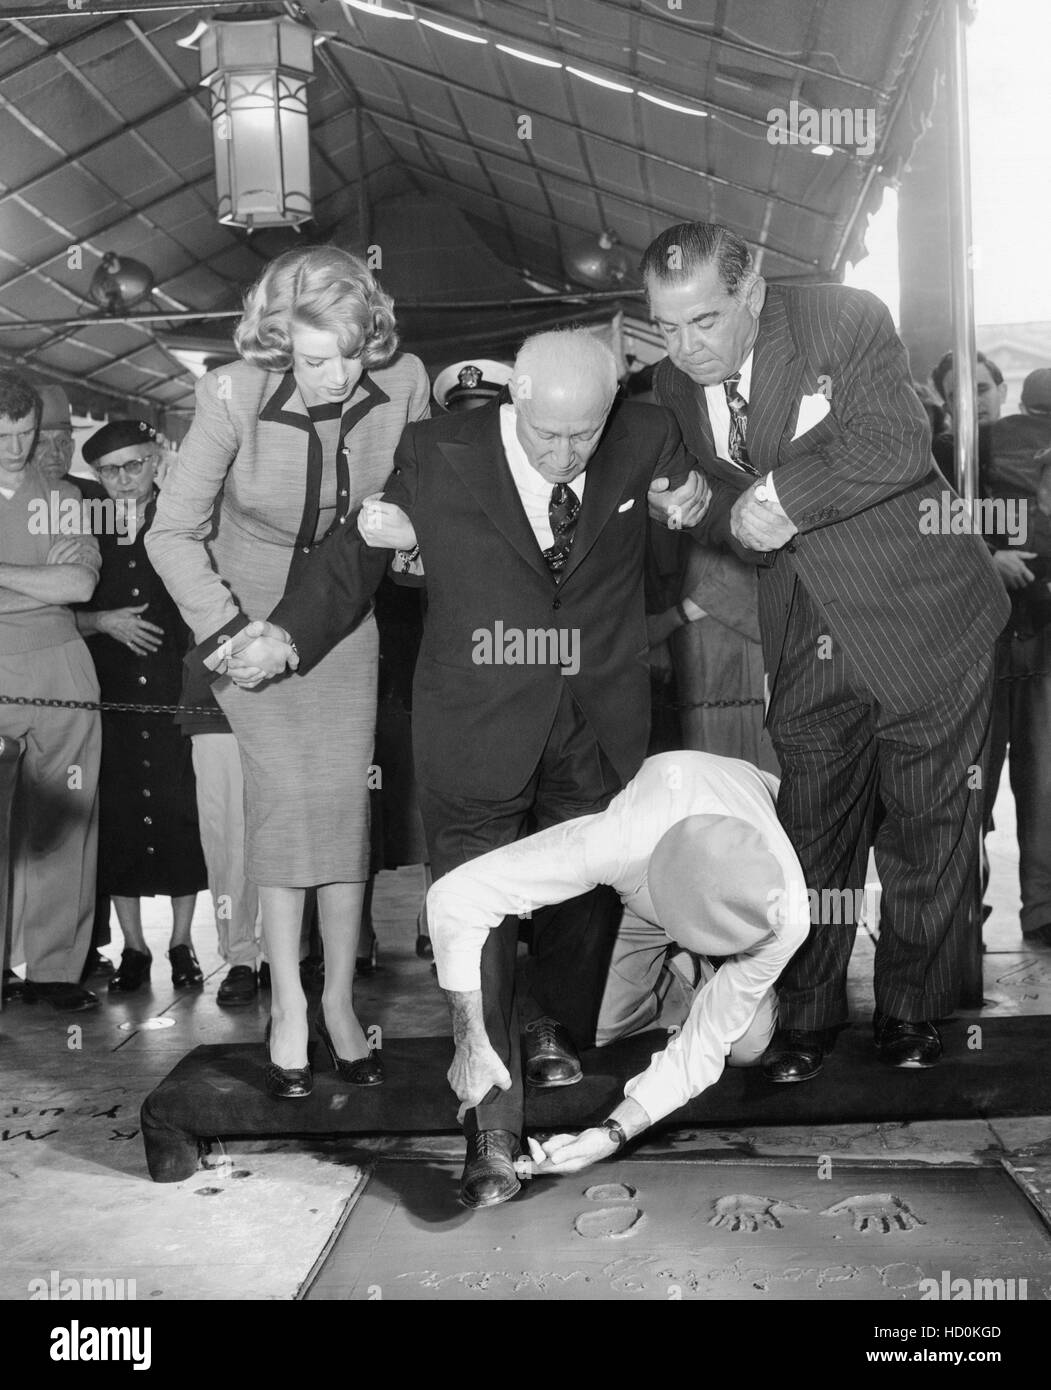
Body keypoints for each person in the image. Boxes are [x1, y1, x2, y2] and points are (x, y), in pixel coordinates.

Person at [235, 327, 746, 1206]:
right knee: (476, 921)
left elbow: (714, 492)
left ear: (609, 412)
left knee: (580, 908)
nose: (561, 454)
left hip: (595, 722)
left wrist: (700, 494)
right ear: (514, 404)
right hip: (473, 722)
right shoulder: (438, 449)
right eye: (544, 435)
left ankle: (547, 1020)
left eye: (580, 436)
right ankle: (492, 1132)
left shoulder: (645, 433)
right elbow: (359, 549)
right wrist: (284, 633)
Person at [641, 221, 1010, 1081]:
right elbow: (740, 523)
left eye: (704, 320)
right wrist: (703, 506)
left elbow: (891, 443)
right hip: (805, 633)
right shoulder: (666, 384)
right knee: (809, 832)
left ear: (752, 292)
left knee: (928, 825)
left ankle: (910, 1011)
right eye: (665, 325)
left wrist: (775, 494)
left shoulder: (838, 319)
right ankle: (806, 1014)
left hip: (925, 617)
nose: (686, 347)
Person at [146, 245, 430, 1097]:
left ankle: (341, 1002)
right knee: (284, 796)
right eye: (312, 358)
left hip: (346, 610)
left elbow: (423, 509)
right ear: (275, 342)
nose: (335, 374)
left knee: (342, 799)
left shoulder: (409, 381)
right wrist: (230, 633)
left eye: (348, 352)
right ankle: (290, 1004)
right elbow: (170, 532)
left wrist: (412, 538)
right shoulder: (229, 391)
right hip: (245, 606)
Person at [428, 750, 808, 1195]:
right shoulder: (615, 841)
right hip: (644, 893)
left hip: (730, 909)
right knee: (597, 1025)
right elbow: (454, 897)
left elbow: (703, 1047)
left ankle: (703, 975)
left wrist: (610, 1134)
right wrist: (469, 1040)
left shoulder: (788, 913)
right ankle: (685, 972)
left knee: (744, 1047)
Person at [75, 421, 207, 993]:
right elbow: (56, 607)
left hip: (175, 692)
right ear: (96, 477)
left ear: (157, 463)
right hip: (111, 694)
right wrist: (100, 621)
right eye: (109, 470)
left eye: (135, 465)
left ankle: (182, 943)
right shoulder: (84, 527)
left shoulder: (184, 520)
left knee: (183, 813)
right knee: (121, 815)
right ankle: (134, 949)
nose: (123, 480)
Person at [0, 371, 102, 1011]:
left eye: (26, 431)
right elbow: (56, 582)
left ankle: (55, 971)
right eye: (2, 435)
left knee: (68, 817)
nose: (15, 447)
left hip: (65, 666)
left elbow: (80, 588)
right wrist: (40, 578)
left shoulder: (66, 497)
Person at [982, 369, 1051, 947]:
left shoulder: (974, 447)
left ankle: (965, 915)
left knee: (1025, 781)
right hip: (993, 640)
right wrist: (989, 557)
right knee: (1031, 781)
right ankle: (1034, 911)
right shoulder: (954, 452)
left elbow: (937, 523)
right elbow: (930, 528)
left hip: (1016, 635)